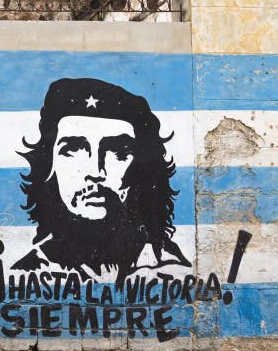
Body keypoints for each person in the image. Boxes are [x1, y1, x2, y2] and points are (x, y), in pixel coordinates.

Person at [12, 77, 190, 285]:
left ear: (144, 170)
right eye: (73, 150)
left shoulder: (171, 271)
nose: (96, 171)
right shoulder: (28, 274)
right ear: (49, 167)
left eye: (118, 151)